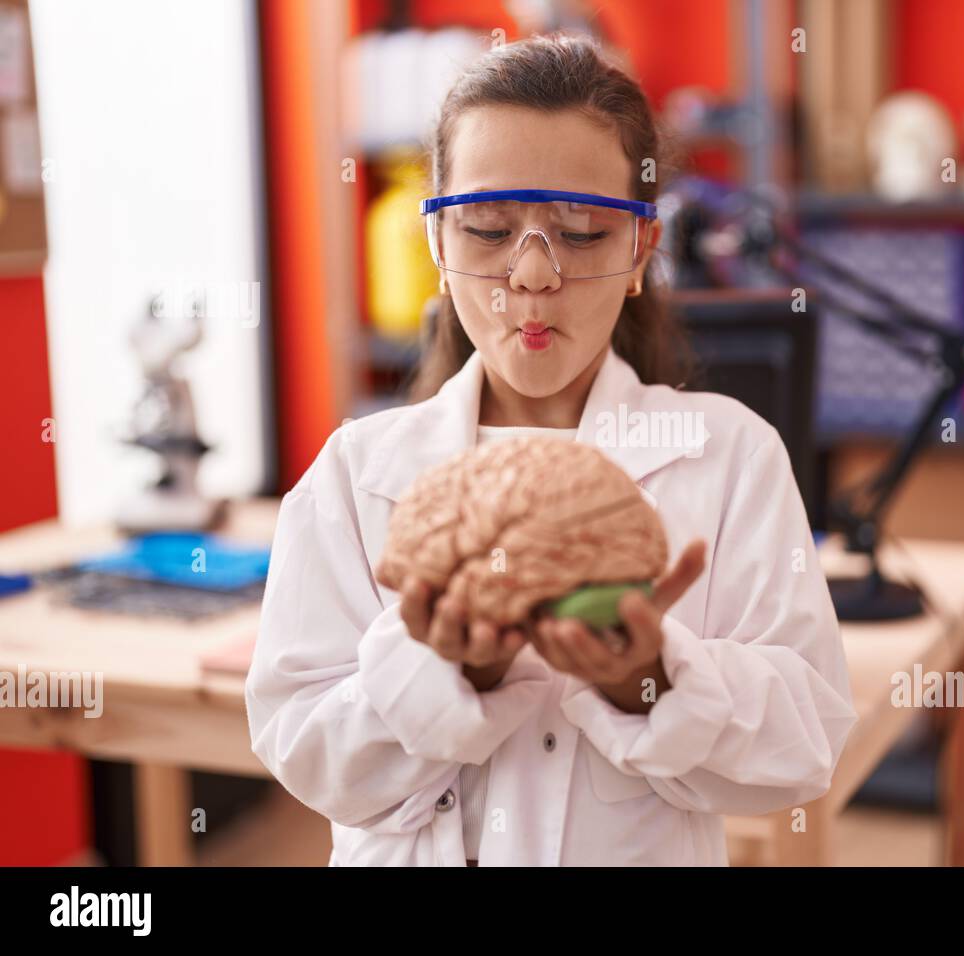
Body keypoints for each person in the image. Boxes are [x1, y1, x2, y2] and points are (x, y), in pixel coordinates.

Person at [246, 33, 856, 867]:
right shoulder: (355, 475)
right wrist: (453, 675)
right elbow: (305, 749)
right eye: (489, 229)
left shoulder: (731, 458)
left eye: (579, 232)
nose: (531, 275)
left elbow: (807, 741)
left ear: (641, 249)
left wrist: (648, 682)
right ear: (436, 243)